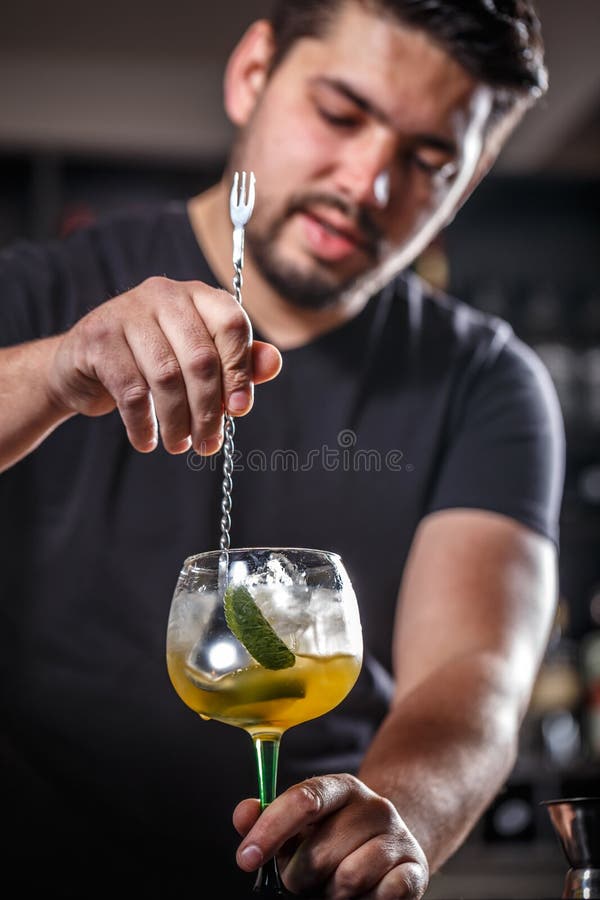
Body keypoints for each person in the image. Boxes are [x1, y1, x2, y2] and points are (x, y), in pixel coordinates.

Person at [0, 1, 565, 897]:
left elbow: (473, 677)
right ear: (252, 71)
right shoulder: (35, 297)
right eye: (341, 114)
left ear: (472, 177)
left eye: (428, 160)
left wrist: (400, 813)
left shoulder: (489, 381)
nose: (368, 183)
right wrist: (58, 375)